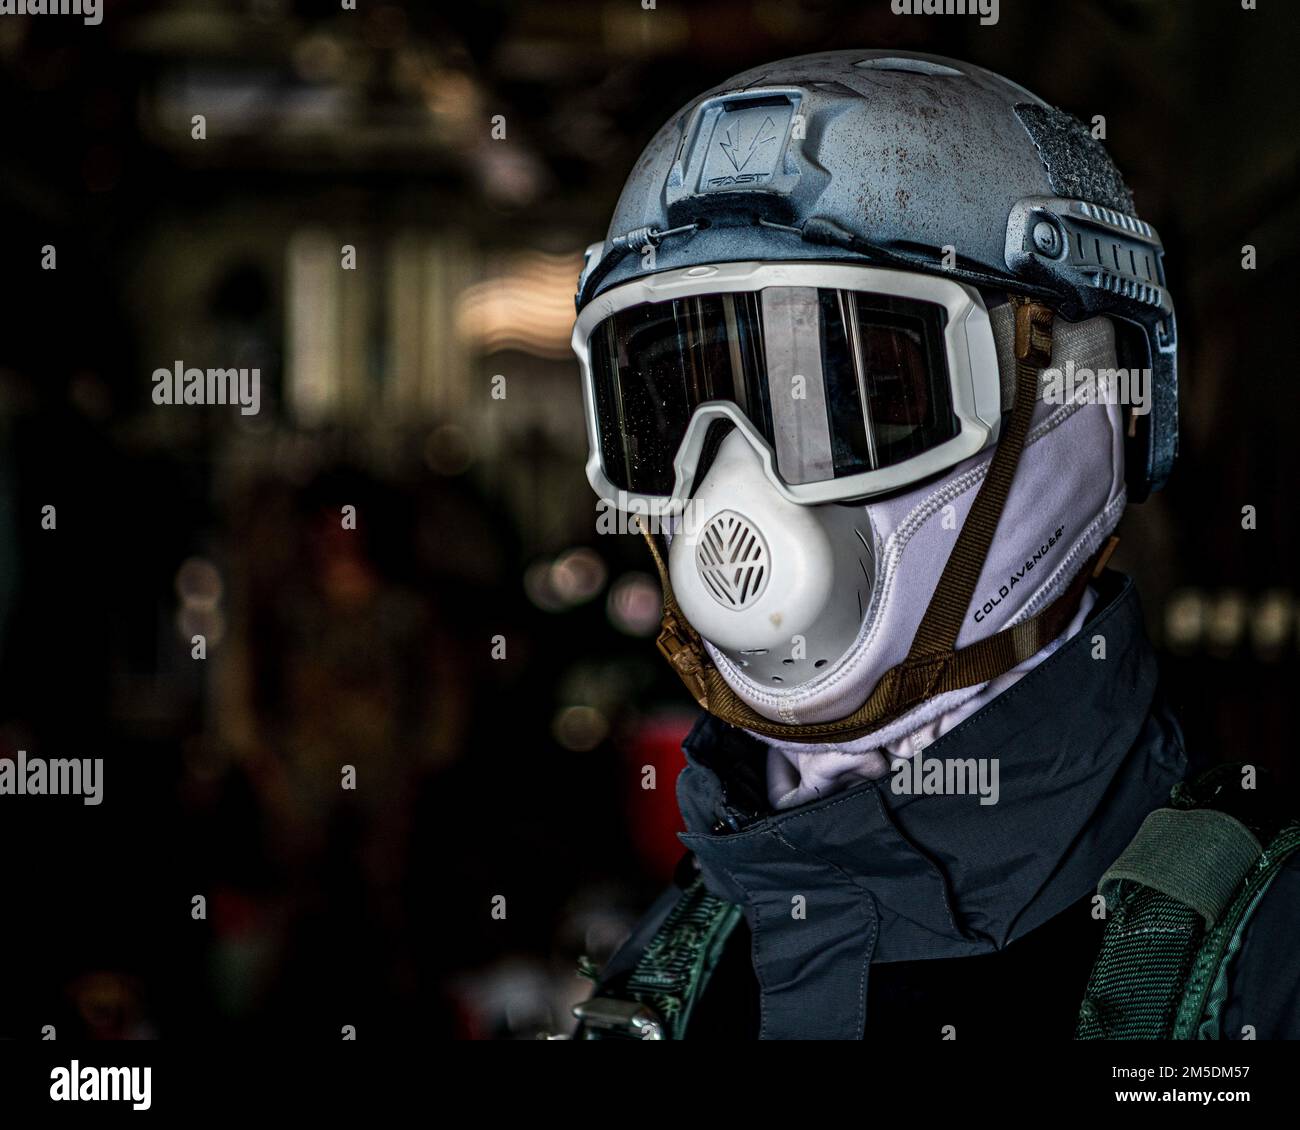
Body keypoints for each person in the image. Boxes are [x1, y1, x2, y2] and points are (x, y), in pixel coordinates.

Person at [568, 50, 1299, 1040]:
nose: (733, 487)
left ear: (1095, 399)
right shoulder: (677, 961)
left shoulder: (1262, 967)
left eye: (850, 391)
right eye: (675, 405)